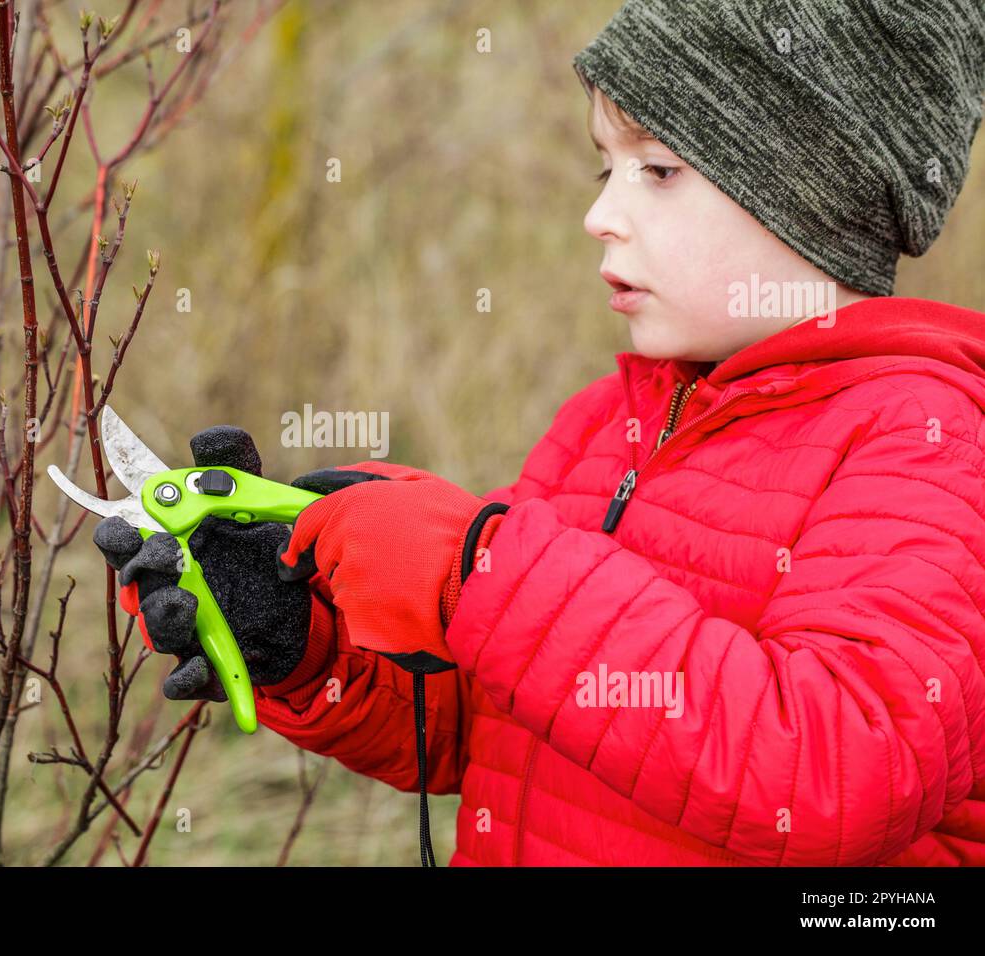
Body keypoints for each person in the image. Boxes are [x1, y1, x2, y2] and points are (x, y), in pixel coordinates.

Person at [94, 0, 985, 866]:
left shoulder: (927, 442)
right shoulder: (603, 425)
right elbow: (503, 730)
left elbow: (841, 771)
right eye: (606, 168)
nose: (602, 214)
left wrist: (474, 570)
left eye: (659, 169)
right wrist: (305, 646)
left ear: (811, 192)